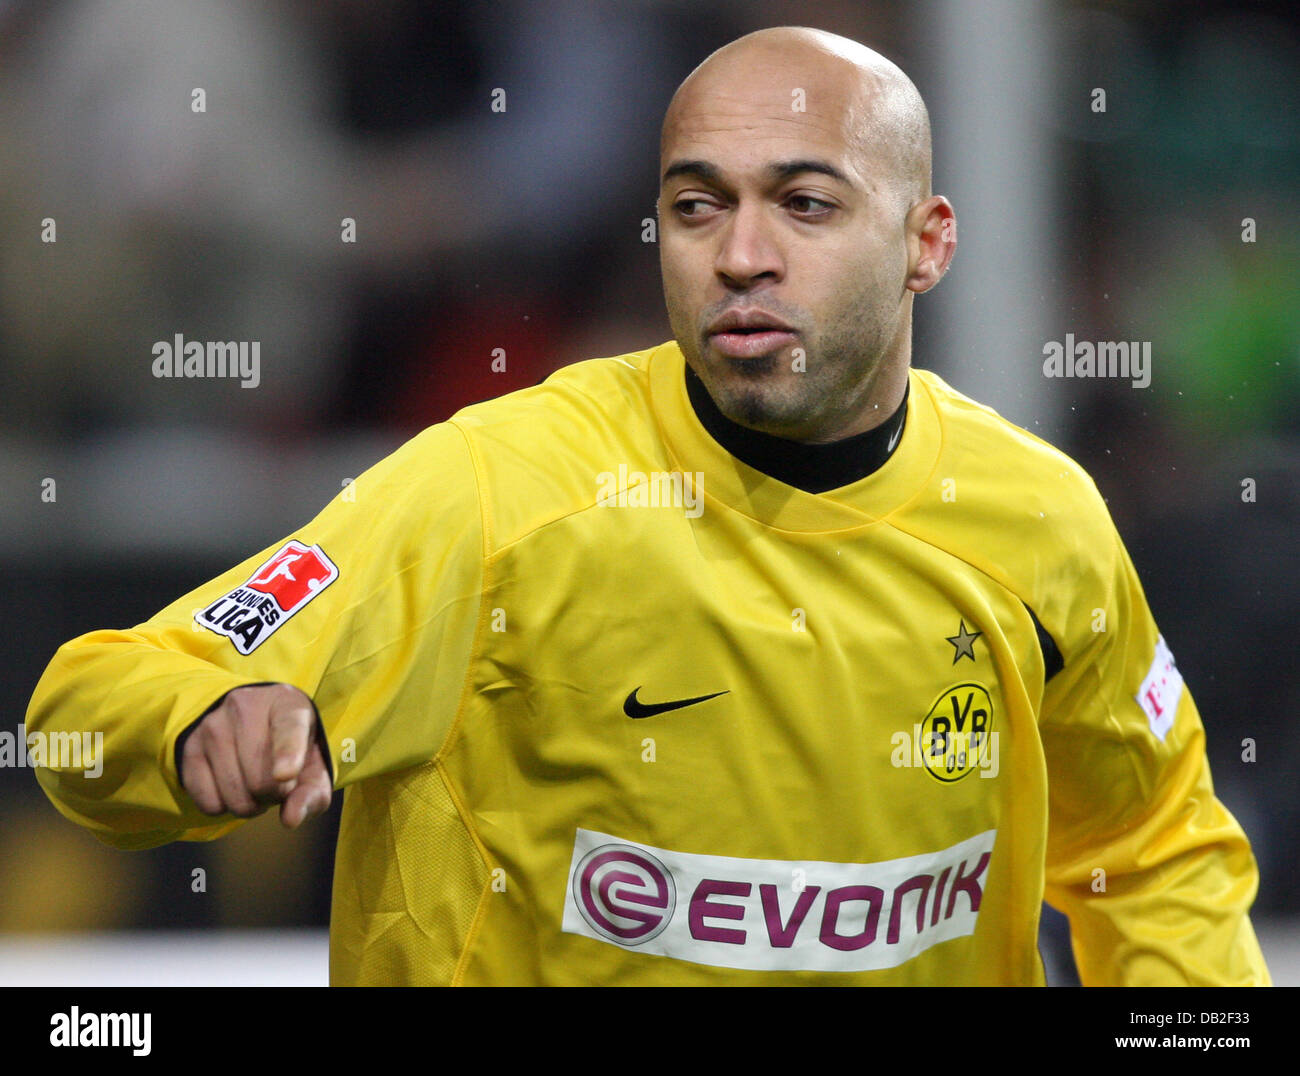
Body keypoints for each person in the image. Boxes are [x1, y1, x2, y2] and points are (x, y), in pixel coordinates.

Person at [27, 26, 1268, 986]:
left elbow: (1155, 855)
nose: (739, 253)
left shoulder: (1038, 520)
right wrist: (201, 720)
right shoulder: (501, 489)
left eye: (804, 202)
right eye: (696, 204)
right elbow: (94, 702)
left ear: (926, 242)